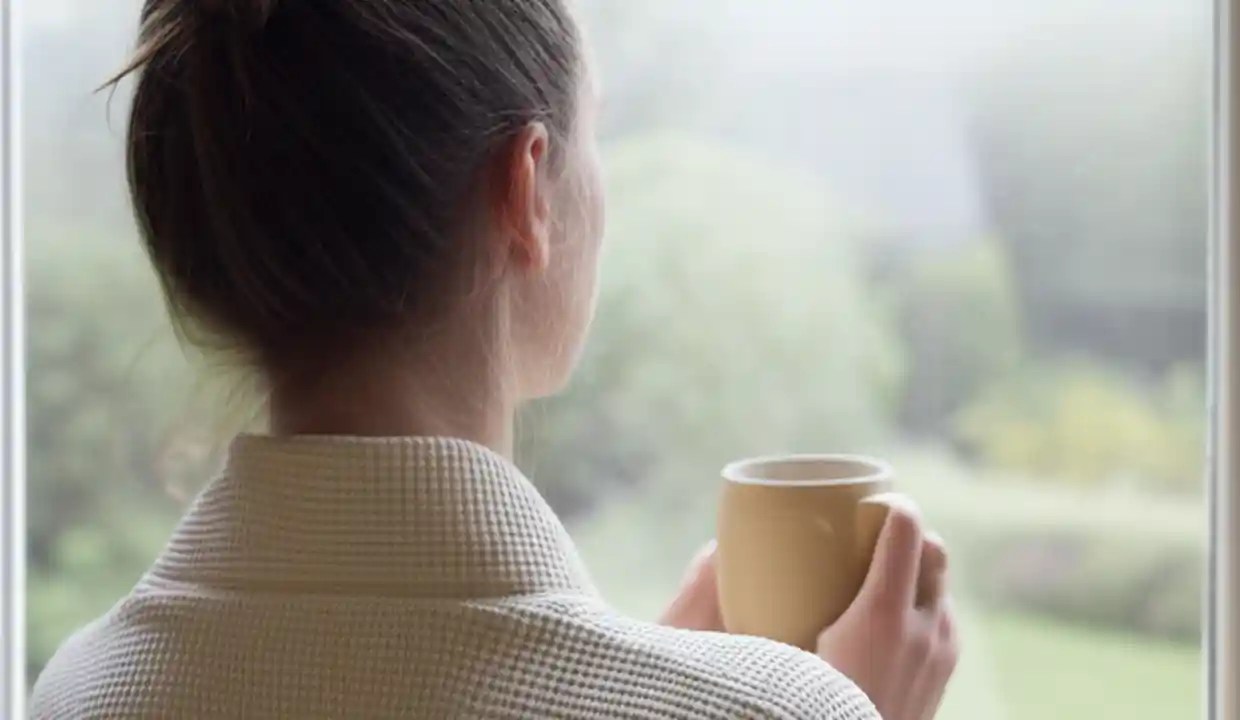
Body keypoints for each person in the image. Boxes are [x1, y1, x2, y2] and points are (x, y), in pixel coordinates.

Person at [30, 0, 958, 717]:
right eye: (595, 139)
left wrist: (649, 673)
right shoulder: (783, 711)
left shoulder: (81, 691)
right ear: (527, 189)